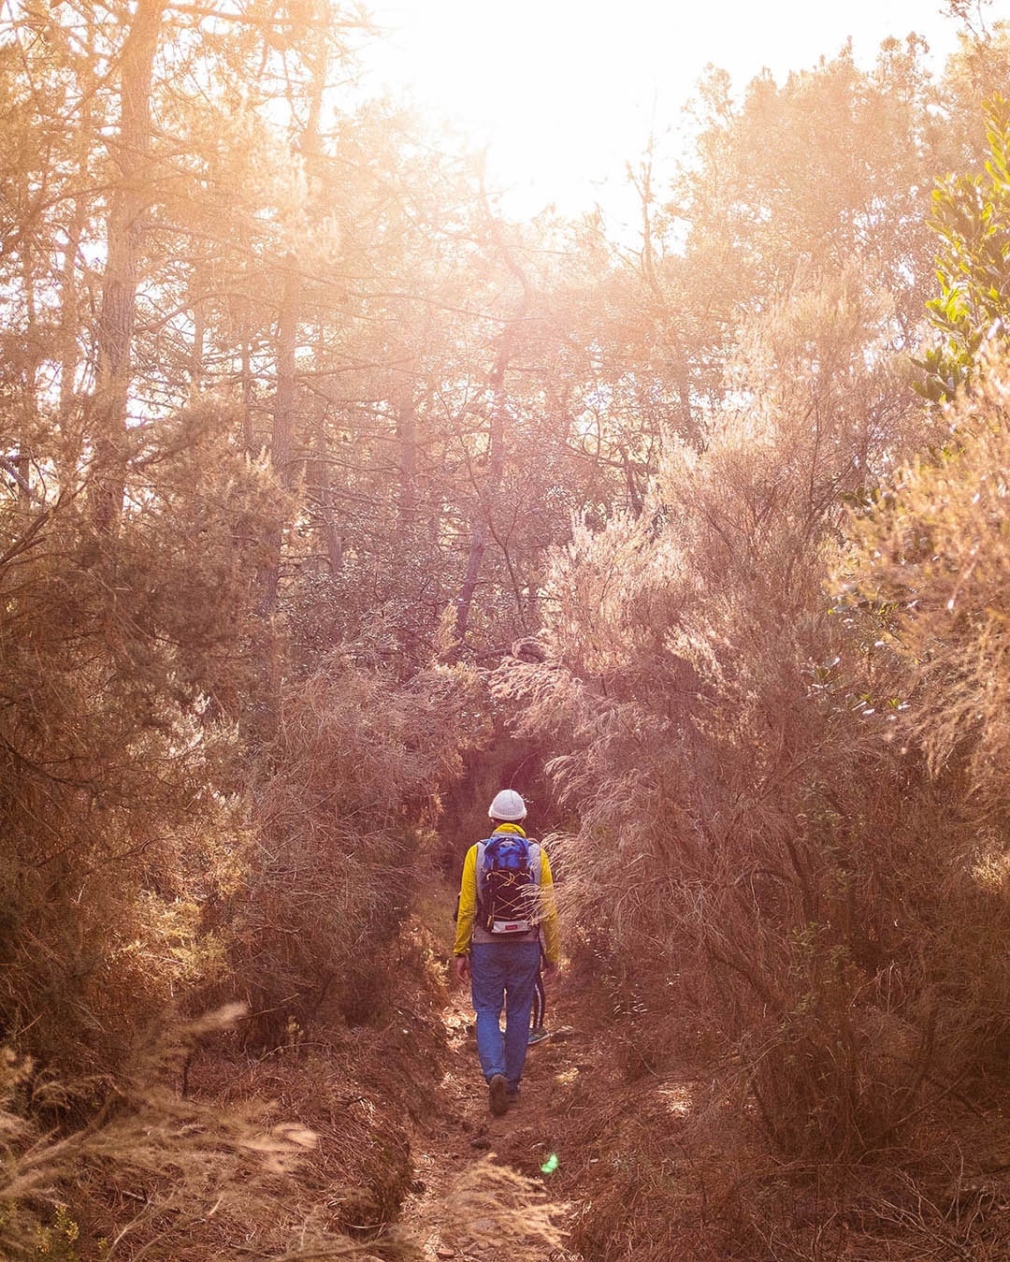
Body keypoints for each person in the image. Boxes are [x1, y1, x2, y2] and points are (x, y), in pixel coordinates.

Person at [453, 789, 560, 1115]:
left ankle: (494, 1073)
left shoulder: (478, 853)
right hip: (526, 946)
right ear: (523, 820)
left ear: (492, 819)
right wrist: (552, 954)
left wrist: (460, 950)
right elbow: (549, 910)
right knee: (517, 1013)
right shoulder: (536, 854)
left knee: (486, 1010)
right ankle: (511, 1085)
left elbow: (467, 906)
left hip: (486, 946)